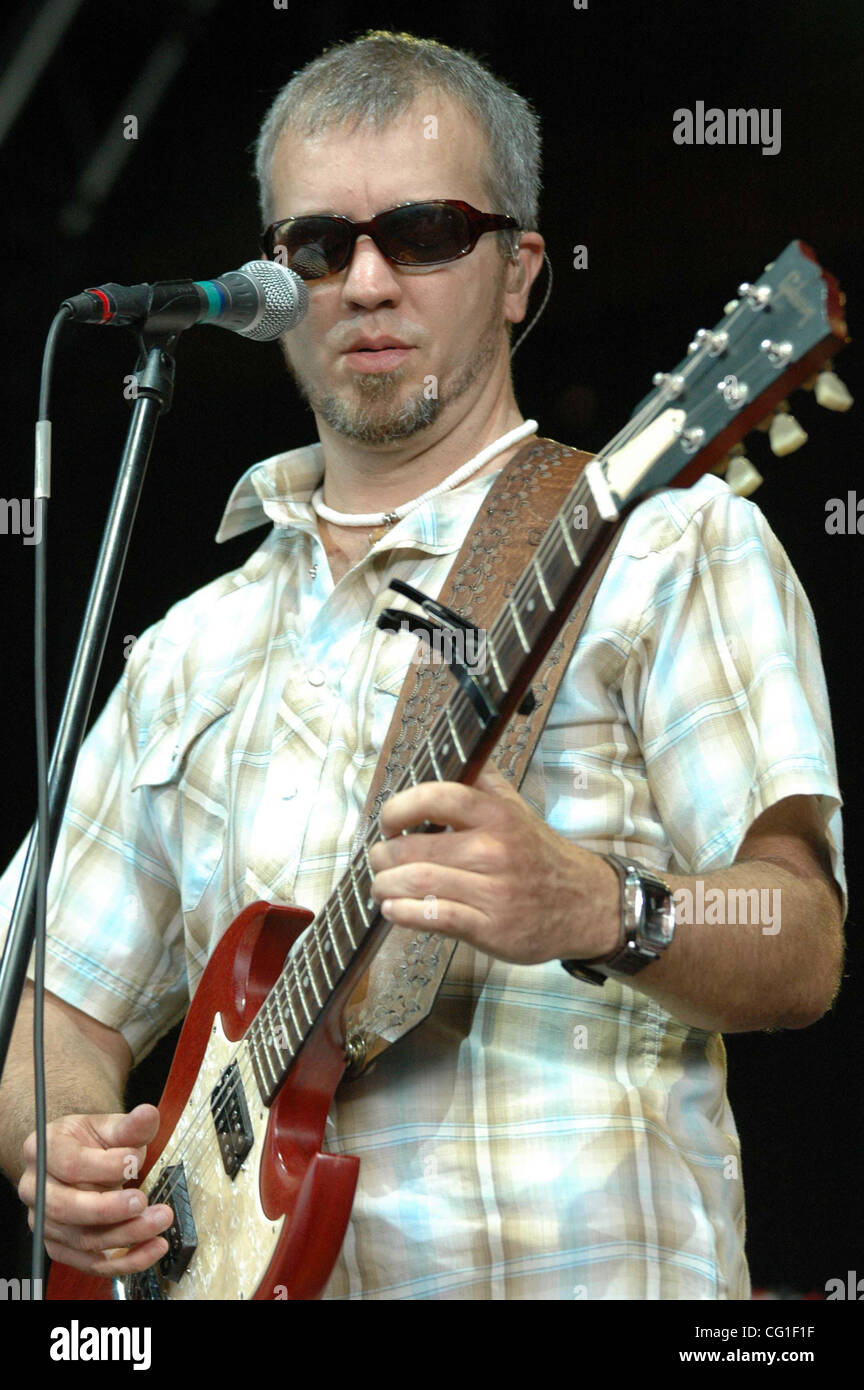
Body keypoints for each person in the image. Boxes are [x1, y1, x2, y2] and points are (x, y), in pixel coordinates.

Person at [0, 31, 846, 1301]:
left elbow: (802, 940)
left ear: (519, 272)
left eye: (428, 231)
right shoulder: (187, 649)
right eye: (319, 247)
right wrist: (55, 1143)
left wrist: (602, 907)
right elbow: (49, 1003)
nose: (368, 280)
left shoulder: (664, 546)